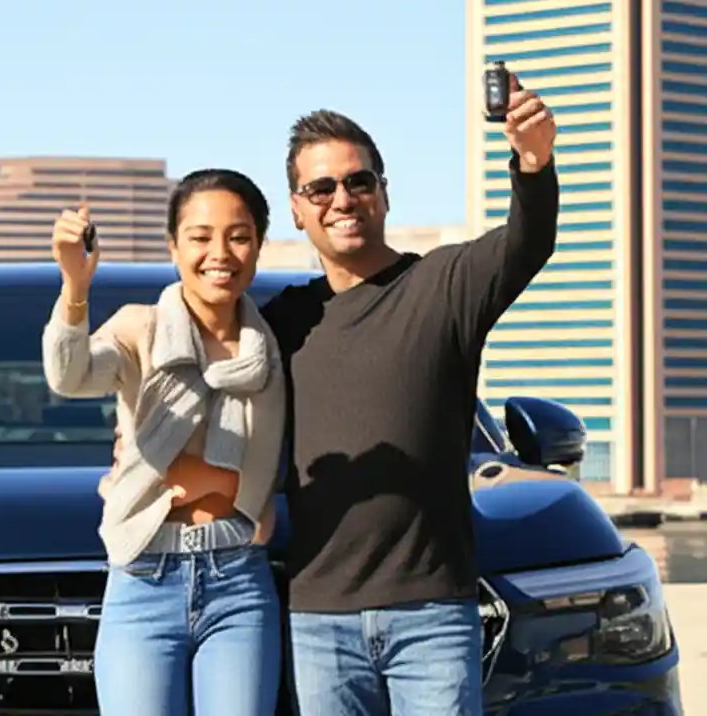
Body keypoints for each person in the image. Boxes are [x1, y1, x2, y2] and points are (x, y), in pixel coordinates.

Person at [160, 74, 559, 714]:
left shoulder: (444, 285)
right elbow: (197, 369)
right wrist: (139, 440)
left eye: (358, 181)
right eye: (321, 187)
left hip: (432, 614)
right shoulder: (280, 323)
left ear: (383, 193)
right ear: (296, 208)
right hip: (319, 622)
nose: (341, 198)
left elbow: (528, 239)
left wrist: (533, 160)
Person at [42, 168, 287, 716]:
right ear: (174, 246)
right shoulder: (140, 329)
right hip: (143, 580)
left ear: (258, 245)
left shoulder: (273, 348)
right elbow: (70, 375)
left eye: (238, 235)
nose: (219, 252)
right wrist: (75, 287)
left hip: (239, 582)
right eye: (200, 237)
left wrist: (211, 479)